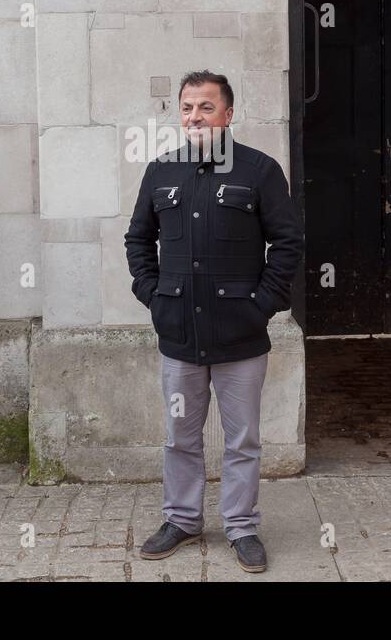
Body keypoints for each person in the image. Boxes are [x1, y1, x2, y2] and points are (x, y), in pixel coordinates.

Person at [124, 70, 305, 574]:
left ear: (228, 114)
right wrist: (152, 296)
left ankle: (242, 527)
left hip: (240, 335)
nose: (195, 117)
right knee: (180, 434)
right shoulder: (161, 172)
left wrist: (261, 304)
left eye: (206, 107)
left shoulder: (260, 171)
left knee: (242, 438)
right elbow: (137, 239)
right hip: (178, 333)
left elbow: (287, 243)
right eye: (187, 107)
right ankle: (182, 520)